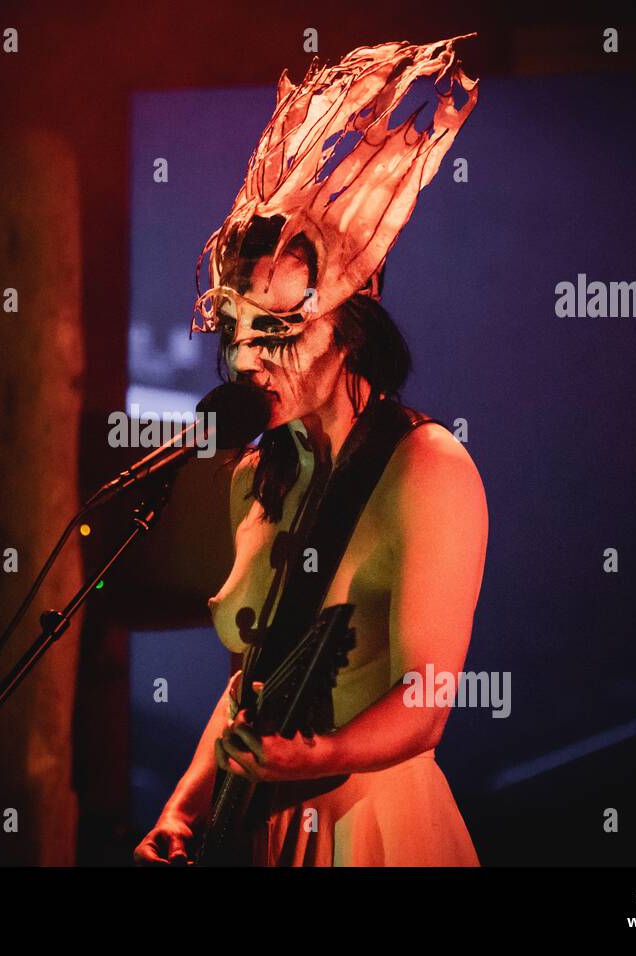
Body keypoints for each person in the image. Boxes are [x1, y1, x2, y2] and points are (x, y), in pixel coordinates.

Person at [134, 34, 486, 866]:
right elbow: (246, 690)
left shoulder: (428, 466)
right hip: (255, 830)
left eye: (281, 330)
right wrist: (184, 807)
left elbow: (429, 699)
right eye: (238, 334)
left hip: (372, 830)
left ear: (351, 328)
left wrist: (321, 756)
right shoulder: (257, 474)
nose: (251, 358)